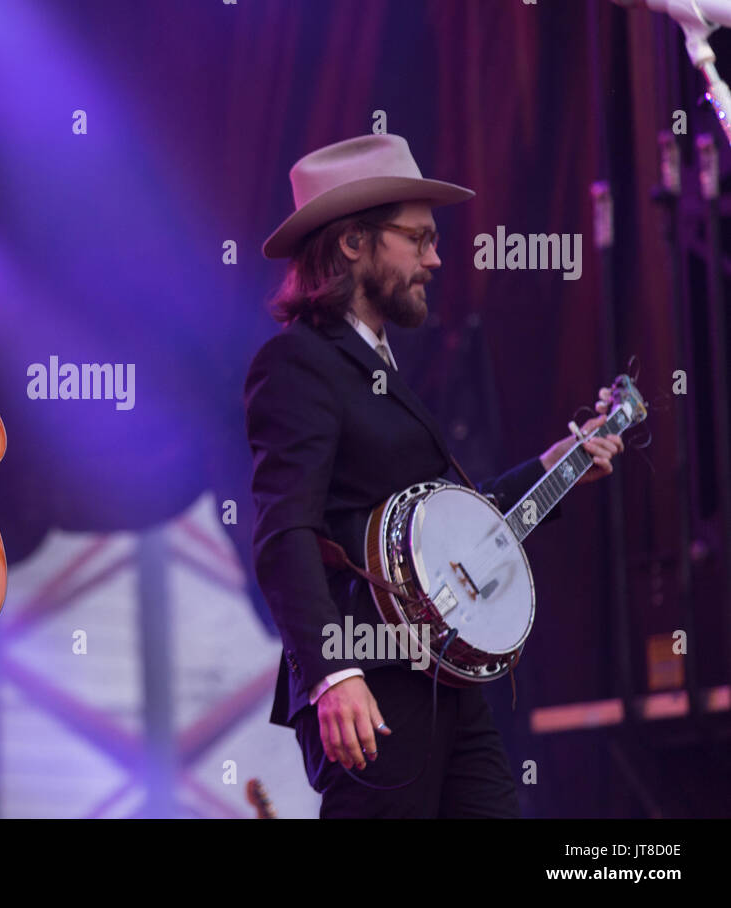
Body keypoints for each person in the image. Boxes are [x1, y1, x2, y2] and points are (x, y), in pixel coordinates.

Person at [244, 133, 623, 818]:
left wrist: (557, 467)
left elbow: (457, 529)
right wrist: (332, 673)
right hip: (372, 681)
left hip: (442, 673)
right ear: (353, 243)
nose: (436, 258)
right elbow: (283, 535)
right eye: (417, 239)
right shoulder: (297, 364)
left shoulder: (381, 368)